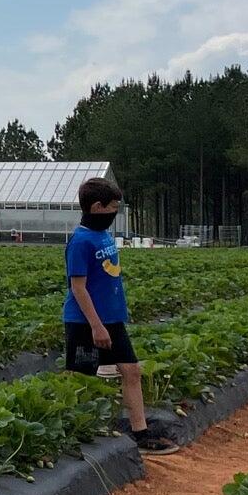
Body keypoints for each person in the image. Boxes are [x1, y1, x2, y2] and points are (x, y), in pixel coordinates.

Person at [65, 177, 177, 455]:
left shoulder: (103, 235)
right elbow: (78, 289)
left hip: (112, 320)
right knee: (80, 378)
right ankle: (69, 430)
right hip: (86, 323)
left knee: (131, 370)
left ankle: (140, 433)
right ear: (97, 207)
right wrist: (96, 326)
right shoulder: (80, 242)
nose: (116, 212)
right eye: (113, 207)